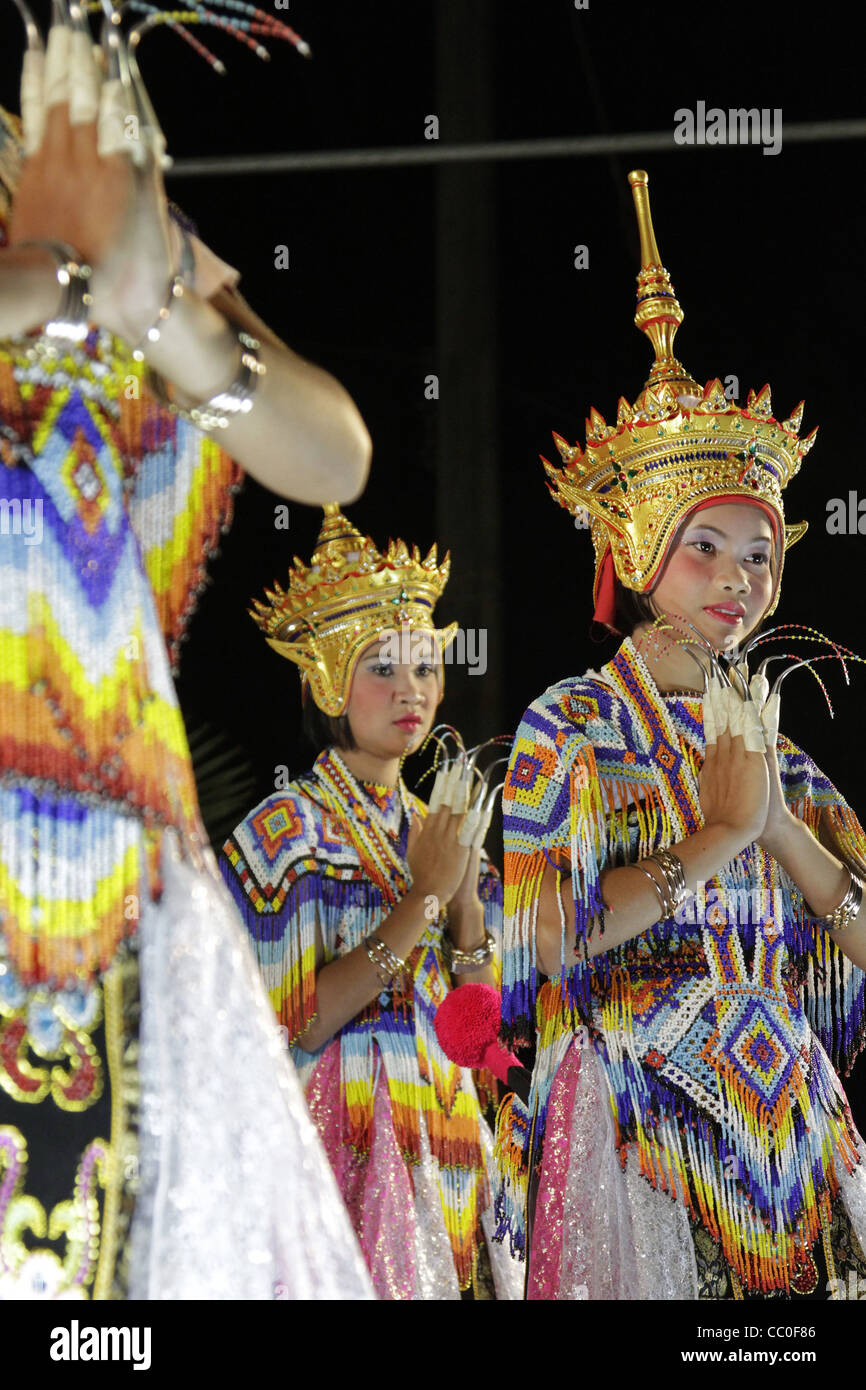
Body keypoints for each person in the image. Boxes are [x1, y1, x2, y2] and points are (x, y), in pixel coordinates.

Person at [0, 11, 375, 1299]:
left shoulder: (75, 184)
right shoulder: (50, 209)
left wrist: (162, 310)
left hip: (119, 893)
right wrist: (48, 268)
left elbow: (332, 456)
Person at [495, 170, 866, 1301]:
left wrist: (782, 838)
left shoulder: (775, 753)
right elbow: (547, 943)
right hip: (633, 1122)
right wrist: (709, 841)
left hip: (784, 1122)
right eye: (702, 546)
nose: (737, 580)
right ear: (638, 547)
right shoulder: (569, 722)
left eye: (756, 554)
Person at [219, 504, 522, 1300]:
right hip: (335, 1145)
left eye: (425, 666)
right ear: (326, 676)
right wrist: (423, 897)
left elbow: (474, 1035)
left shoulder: (439, 827)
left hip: (445, 1134)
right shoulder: (280, 833)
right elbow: (293, 1023)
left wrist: (466, 914)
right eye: (383, 667)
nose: (411, 689)